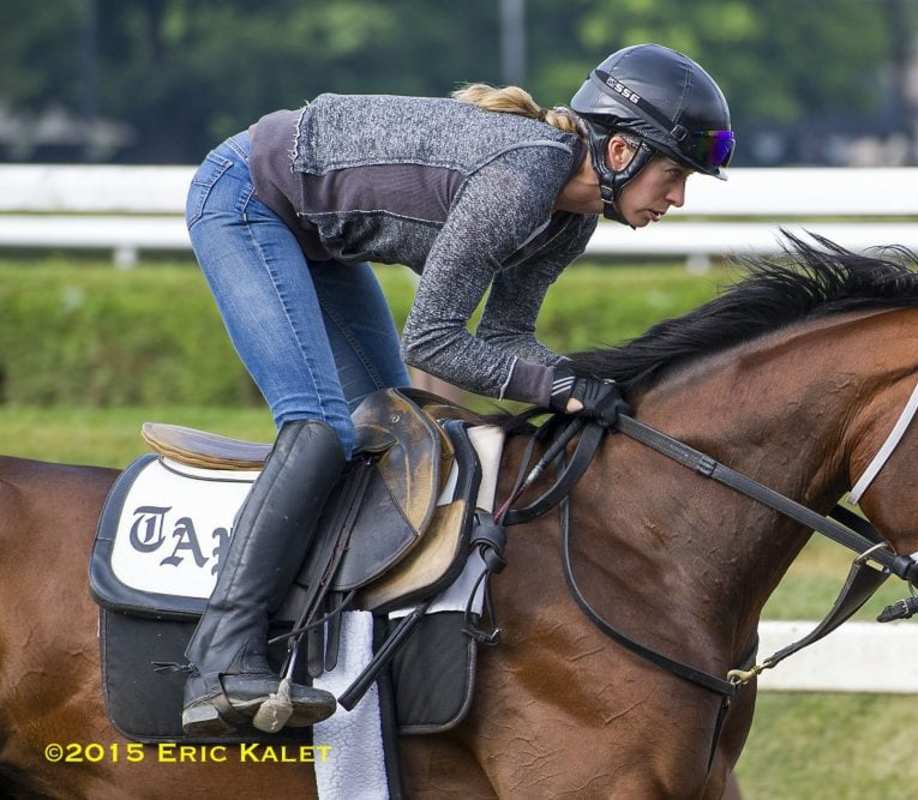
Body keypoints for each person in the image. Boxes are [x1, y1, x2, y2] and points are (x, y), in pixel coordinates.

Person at [179, 42, 735, 736]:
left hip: (320, 241)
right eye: (675, 173)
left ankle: (319, 633)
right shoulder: (523, 179)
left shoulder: (572, 219)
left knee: (397, 431)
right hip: (246, 200)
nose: (678, 198)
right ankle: (219, 659)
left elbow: (504, 339)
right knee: (320, 428)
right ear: (621, 153)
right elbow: (433, 339)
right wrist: (555, 387)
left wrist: (577, 380)